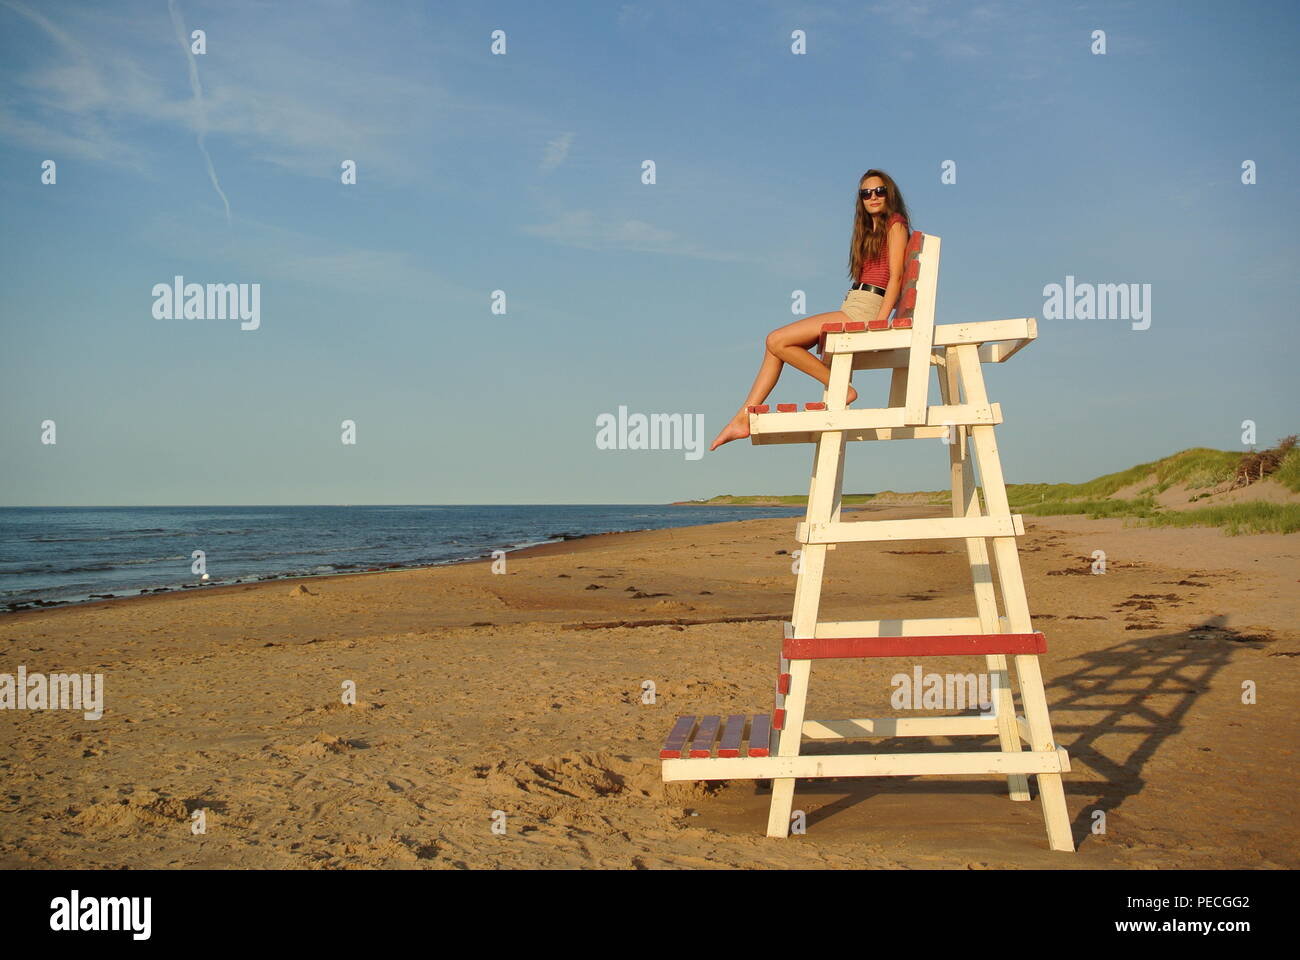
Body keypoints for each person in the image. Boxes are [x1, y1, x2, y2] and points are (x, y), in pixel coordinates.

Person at [709, 169, 912, 451]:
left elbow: (896, 276)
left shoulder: (895, 224)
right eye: (866, 193)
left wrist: (880, 321)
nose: (873, 197)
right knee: (775, 346)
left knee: (776, 339)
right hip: (855, 304)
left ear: (890, 194)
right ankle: (743, 417)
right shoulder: (871, 230)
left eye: (879, 191)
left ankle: (842, 389)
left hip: (866, 309)